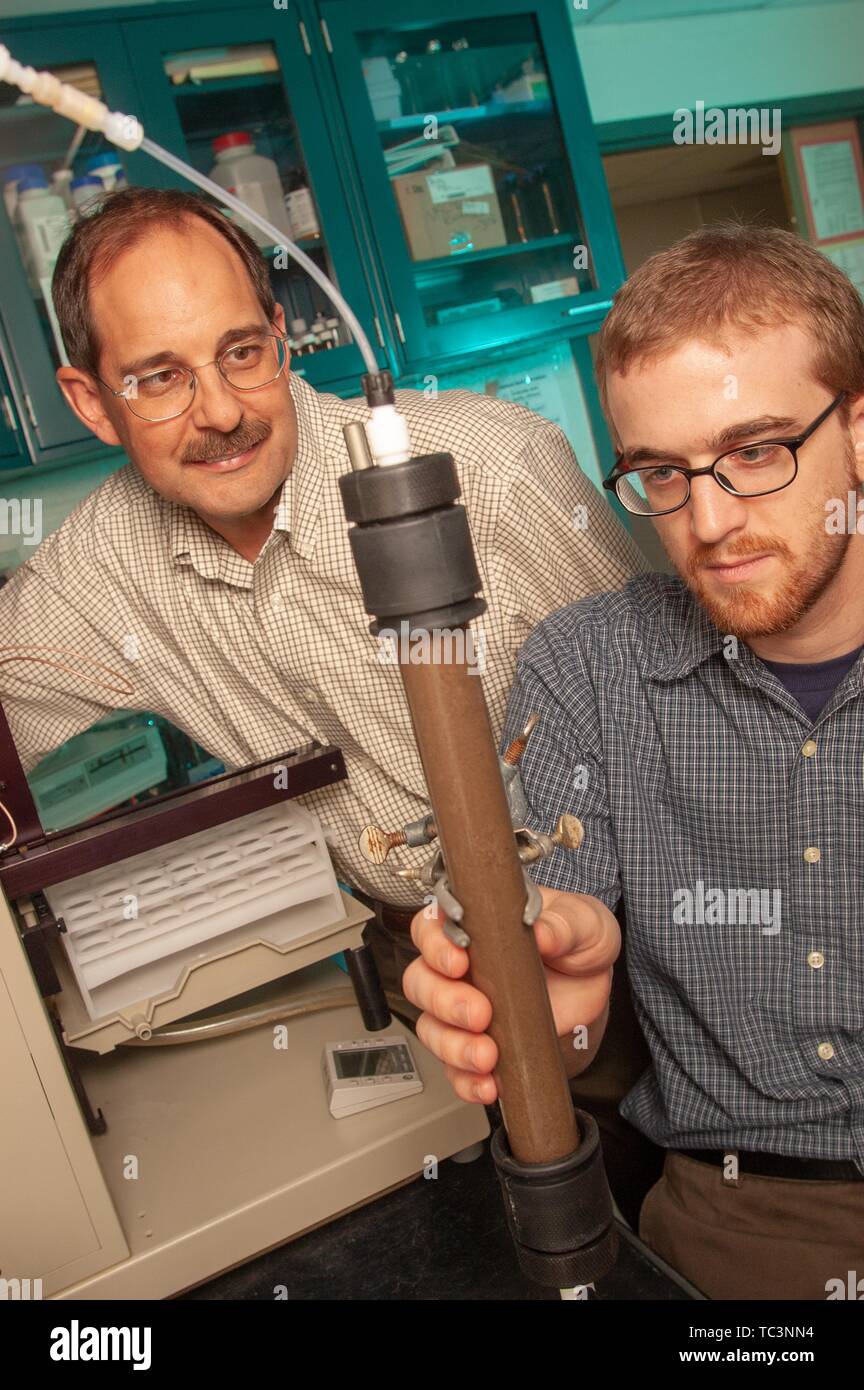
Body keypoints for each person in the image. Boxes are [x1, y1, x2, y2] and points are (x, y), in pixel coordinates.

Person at [0, 184, 644, 959]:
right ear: (94, 404)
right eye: (161, 379)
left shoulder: (494, 469)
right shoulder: (104, 565)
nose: (223, 413)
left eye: (240, 353)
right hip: (414, 948)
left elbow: (681, 707)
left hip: (633, 911)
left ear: (279, 335)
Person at [405, 222, 864, 1301]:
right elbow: (555, 998)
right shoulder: (587, 665)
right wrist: (535, 996)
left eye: (757, 450)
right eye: (662, 471)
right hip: (747, 1216)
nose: (708, 520)